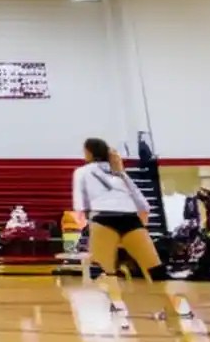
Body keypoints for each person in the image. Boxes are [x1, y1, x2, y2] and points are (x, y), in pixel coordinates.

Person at [73, 137, 196, 331]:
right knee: (156, 270)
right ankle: (178, 308)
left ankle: (120, 313)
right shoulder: (119, 171)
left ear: (88, 152)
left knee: (107, 271)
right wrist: (142, 221)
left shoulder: (82, 172)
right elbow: (141, 200)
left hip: (103, 219)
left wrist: (86, 225)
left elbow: (80, 204)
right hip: (131, 220)